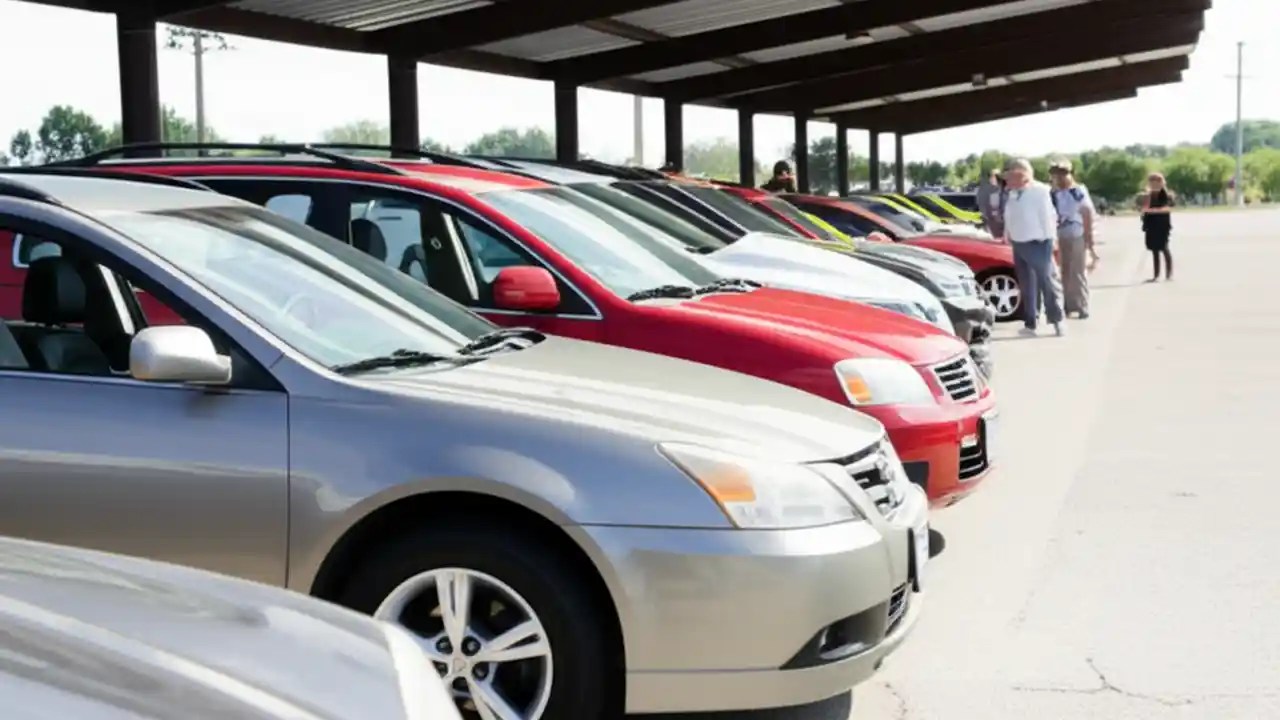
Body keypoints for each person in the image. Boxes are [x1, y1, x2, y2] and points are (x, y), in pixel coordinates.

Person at [1002, 157, 1065, 337]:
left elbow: (1048, 217)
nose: (1006, 179)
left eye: (1010, 175)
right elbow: (1009, 215)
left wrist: (1052, 241)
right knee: (1027, 285)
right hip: (1019, 242)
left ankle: (1057, 320)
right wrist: (1007, 235)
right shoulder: (1013, 193)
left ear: (1021, 174)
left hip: (1039, 242)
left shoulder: (1039, 191)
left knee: (1048, 282)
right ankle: (1031, 322)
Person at [1049, 159, 1099, 319]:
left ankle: (1082, 305)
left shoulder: (1077, 191)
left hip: (1077, 233)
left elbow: (1087, 213)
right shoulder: (1054, 194)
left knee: (1078, 271)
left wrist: (1089, 237)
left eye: (1063, 174)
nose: (1060, 178)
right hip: (1060, 234)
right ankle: (1068, 305)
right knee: (1064, 271)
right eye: (1057, 174)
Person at [1142, 172, 1174, 282]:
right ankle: (1156, 275)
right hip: (1151, 223)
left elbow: (1167, 208)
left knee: (1164, 247)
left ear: (1161, 182)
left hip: (1162, 223)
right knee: (1154, 249)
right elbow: (1144, 208)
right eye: (1151, 183)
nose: (1153, 185)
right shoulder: (1149, 194)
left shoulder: (1165, 194)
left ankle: (1169, 274)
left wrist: (1153, 211)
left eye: (1155, 183)